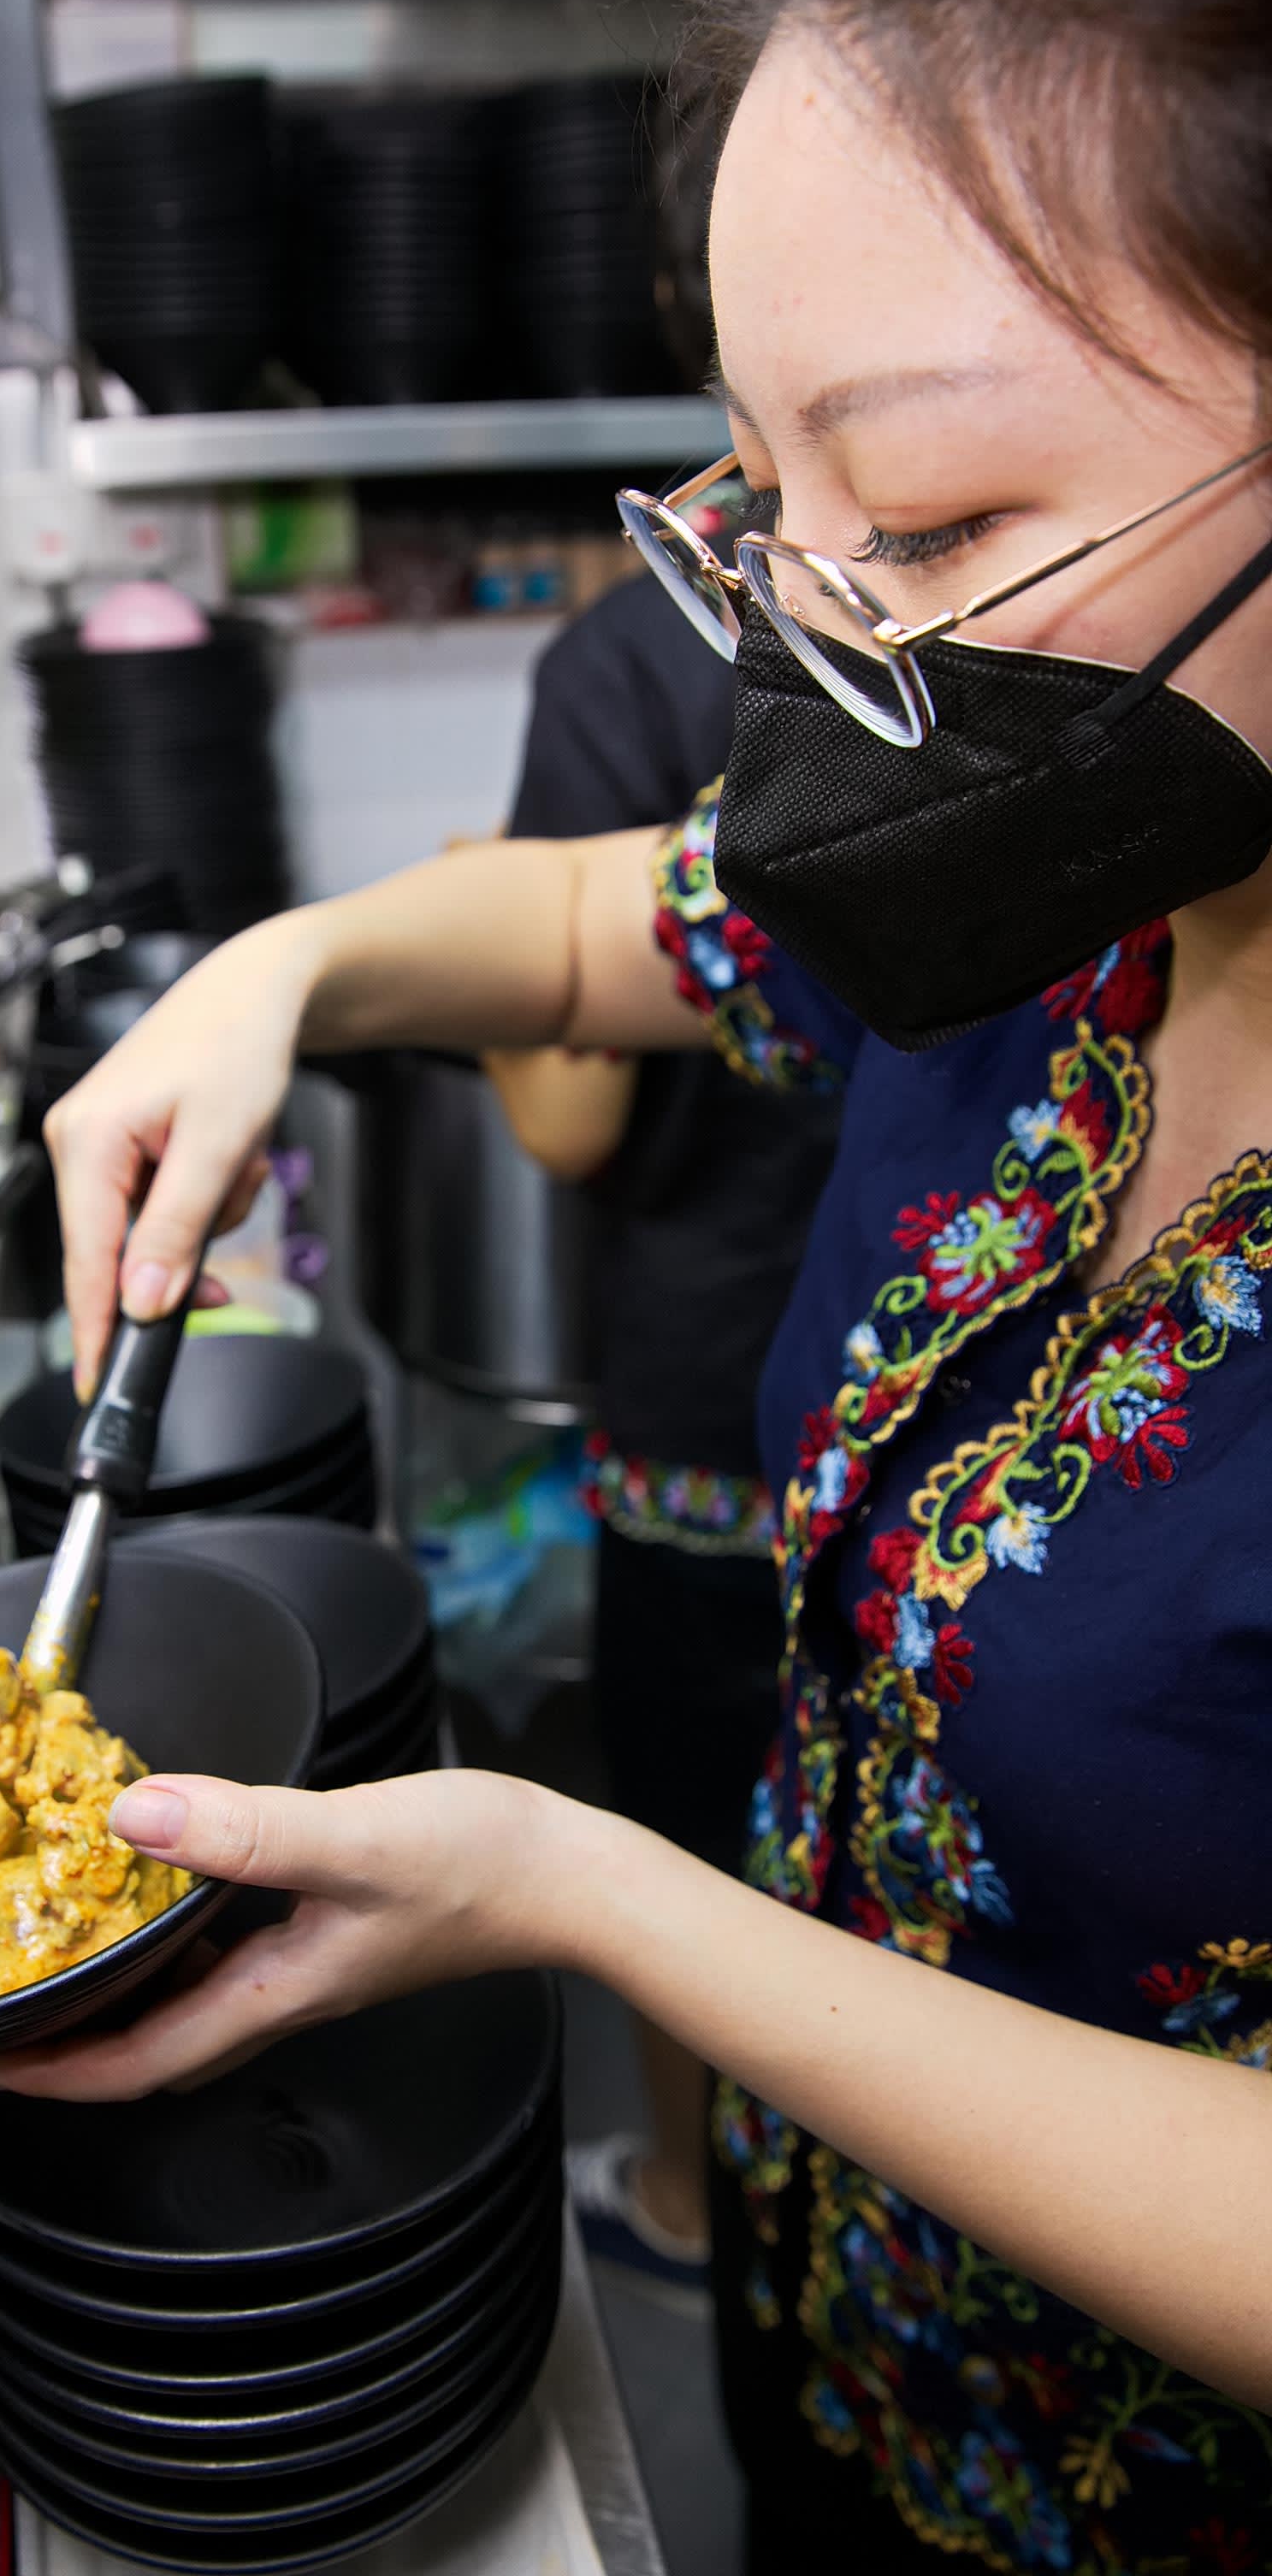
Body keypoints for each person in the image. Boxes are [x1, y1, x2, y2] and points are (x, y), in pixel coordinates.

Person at [0, 0, 1272, 2565]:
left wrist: (583, 1893)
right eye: (764, 502)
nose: (812, 642)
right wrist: (284, 971)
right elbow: (610, 933)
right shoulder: (1067, 899)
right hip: (842, 2352)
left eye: (917, 517)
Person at [482, 576, 839, 2290]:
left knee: (697, 1840)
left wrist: (499, 940)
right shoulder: (988, 642)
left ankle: (702, 2205)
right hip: (948, 1378)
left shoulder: (625, 659)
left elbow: (563, 1113)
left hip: (713, 1378)